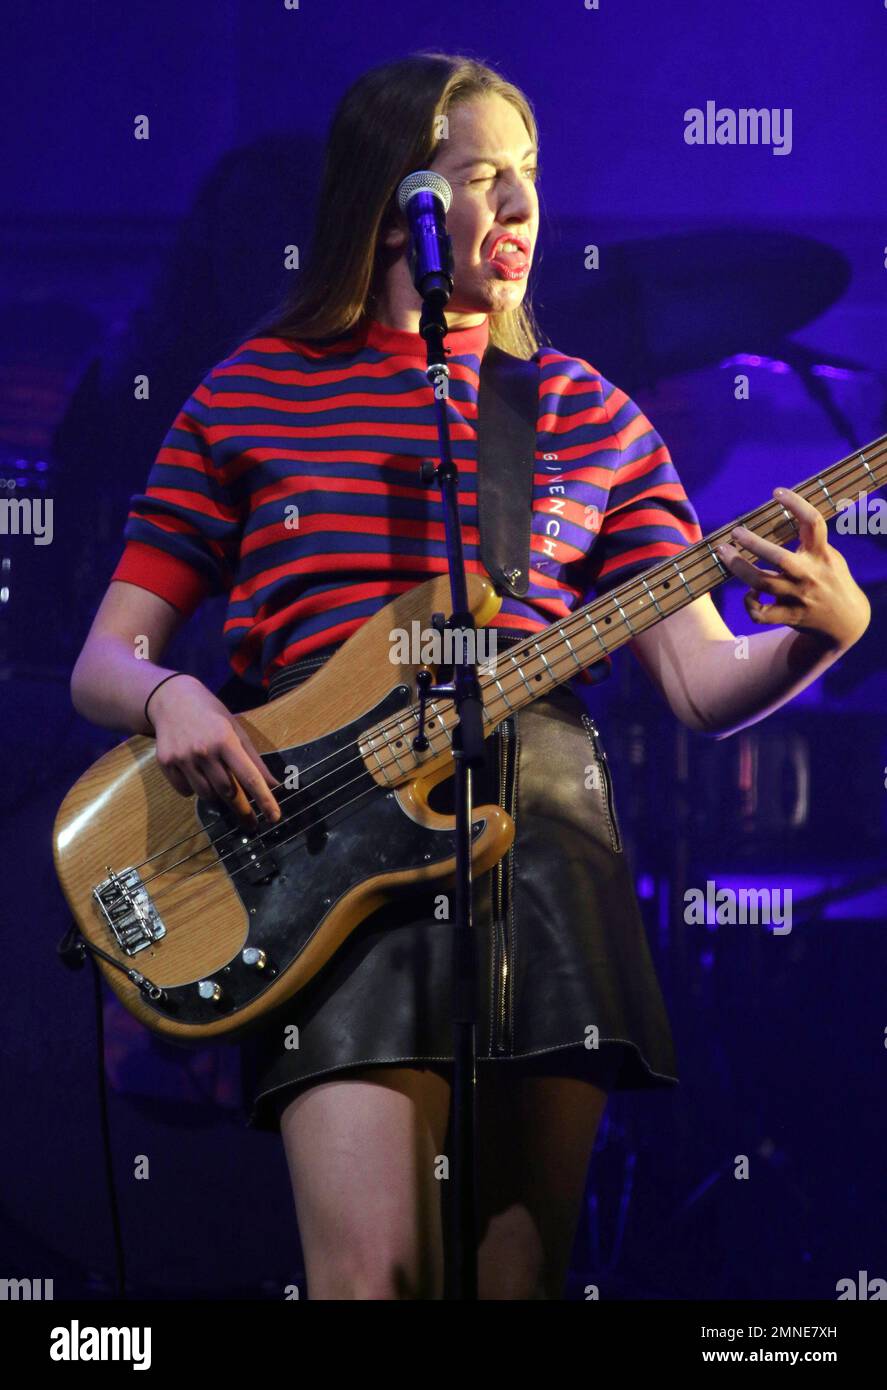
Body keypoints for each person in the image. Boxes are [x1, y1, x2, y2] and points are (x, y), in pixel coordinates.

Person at [70, 52, 871, 1300]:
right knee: (369, 1278)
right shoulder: (248, 394)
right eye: (479, 179)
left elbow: (703, 682)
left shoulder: (586, 414)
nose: (517, 210)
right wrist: (173, 695)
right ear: (395, 207)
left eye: (529, 179)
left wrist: (820, 631)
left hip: (542, 839)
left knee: (517, 1279)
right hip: (314, 845)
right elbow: (102, 661)